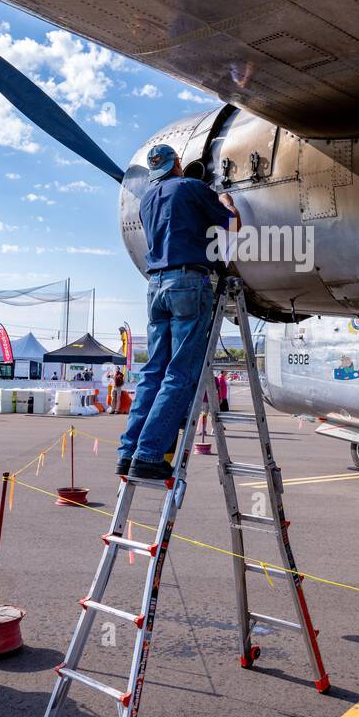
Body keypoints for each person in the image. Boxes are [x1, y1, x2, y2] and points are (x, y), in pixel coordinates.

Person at [116, 143, 240, 480]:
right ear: (178, 163)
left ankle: (128, 451)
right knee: (181, 373)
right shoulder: (191, 187)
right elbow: (232, 224)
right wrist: (226, 201)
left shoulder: (145, 202)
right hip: (187, 282)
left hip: (155, 286)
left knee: (153, 371)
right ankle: (150, 453)